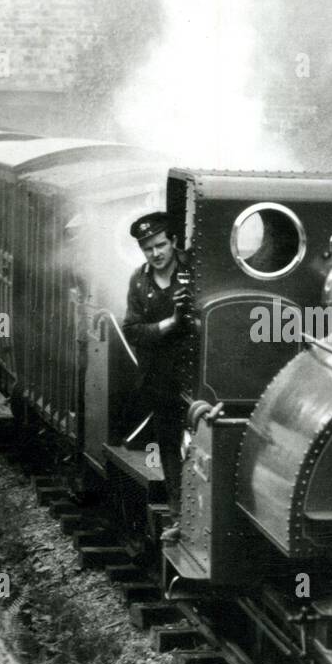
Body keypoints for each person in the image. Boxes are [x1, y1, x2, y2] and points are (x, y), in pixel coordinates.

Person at [122, 212, 190, 542]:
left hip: (193, 375)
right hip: (159, 379)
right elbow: (132, 330)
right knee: (169, 446)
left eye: (160, 245)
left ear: (173, 242)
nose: (156, 253)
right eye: (148, 248)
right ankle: (179, 516)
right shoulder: (139, 281)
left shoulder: (193, 273)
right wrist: (168, 324)